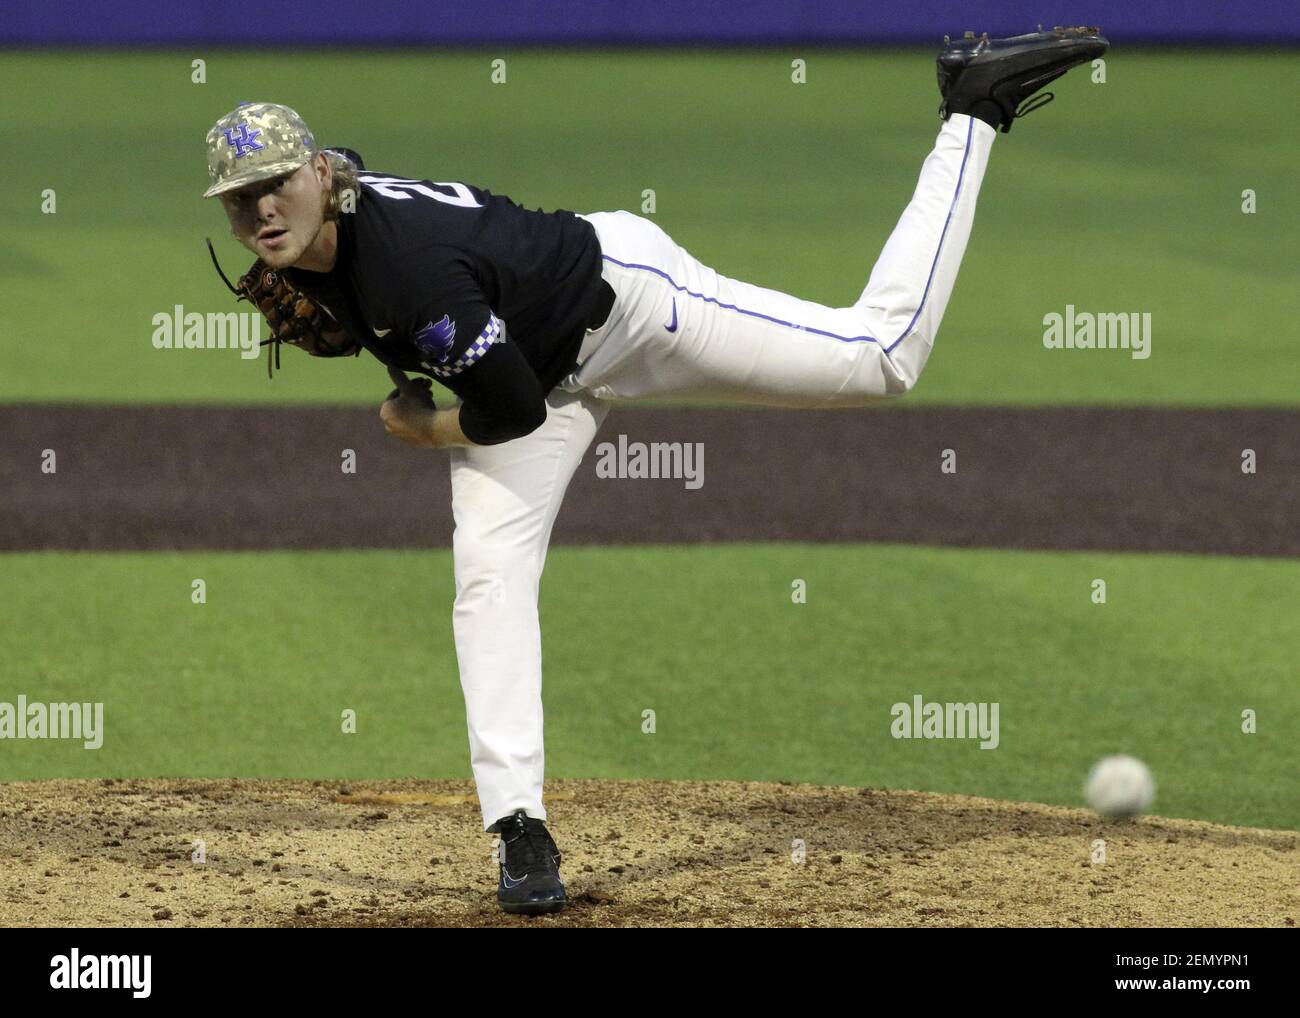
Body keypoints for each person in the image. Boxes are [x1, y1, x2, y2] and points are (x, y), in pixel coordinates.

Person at [203, 26, 1108, 916]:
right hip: (531, 366)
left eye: (277, 186)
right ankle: (520, 829)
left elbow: (505, 410)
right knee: (489, 580)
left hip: (634, 308)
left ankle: (972, 110)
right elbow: (462, 331)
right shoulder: (333, 209)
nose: (262, 215)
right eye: (240, 202)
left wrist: (420, 427)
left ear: (321, 174)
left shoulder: (410, 275)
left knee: (881, 359)